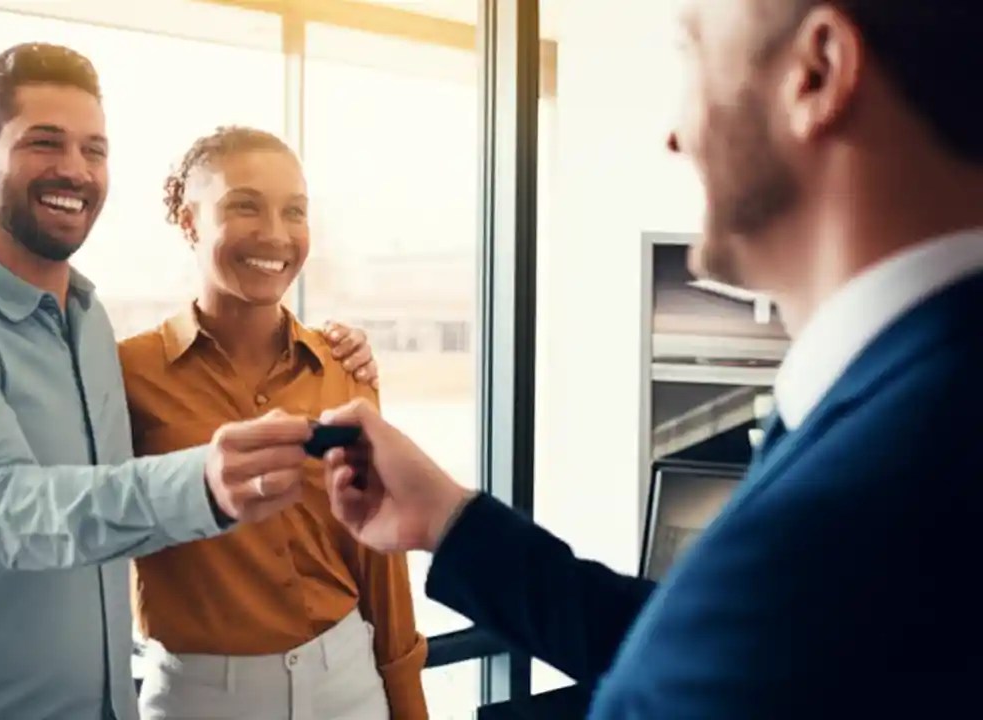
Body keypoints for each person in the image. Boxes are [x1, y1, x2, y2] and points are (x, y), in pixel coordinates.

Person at [319, 0, 983, 717]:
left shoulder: (876, 489)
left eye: (695, 55)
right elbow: (731, 653)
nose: (675, 136)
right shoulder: (917, 411)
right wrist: (449, 521)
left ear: (816, 73)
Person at [0, 44, 376, 720]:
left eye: (93, 150)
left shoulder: (90, 325)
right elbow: (1, 510)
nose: (74, 169)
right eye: (44, 142)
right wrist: (203, 483)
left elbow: (96, 503)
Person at [117, 126, 427, 720]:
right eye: (245, 206)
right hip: (198, 699)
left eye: (295, 211)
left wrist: (409, 705)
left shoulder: (344, 368)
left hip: (347, 686)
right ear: (189, 221)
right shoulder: (127, 374)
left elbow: (379, 559)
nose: (277, 234)